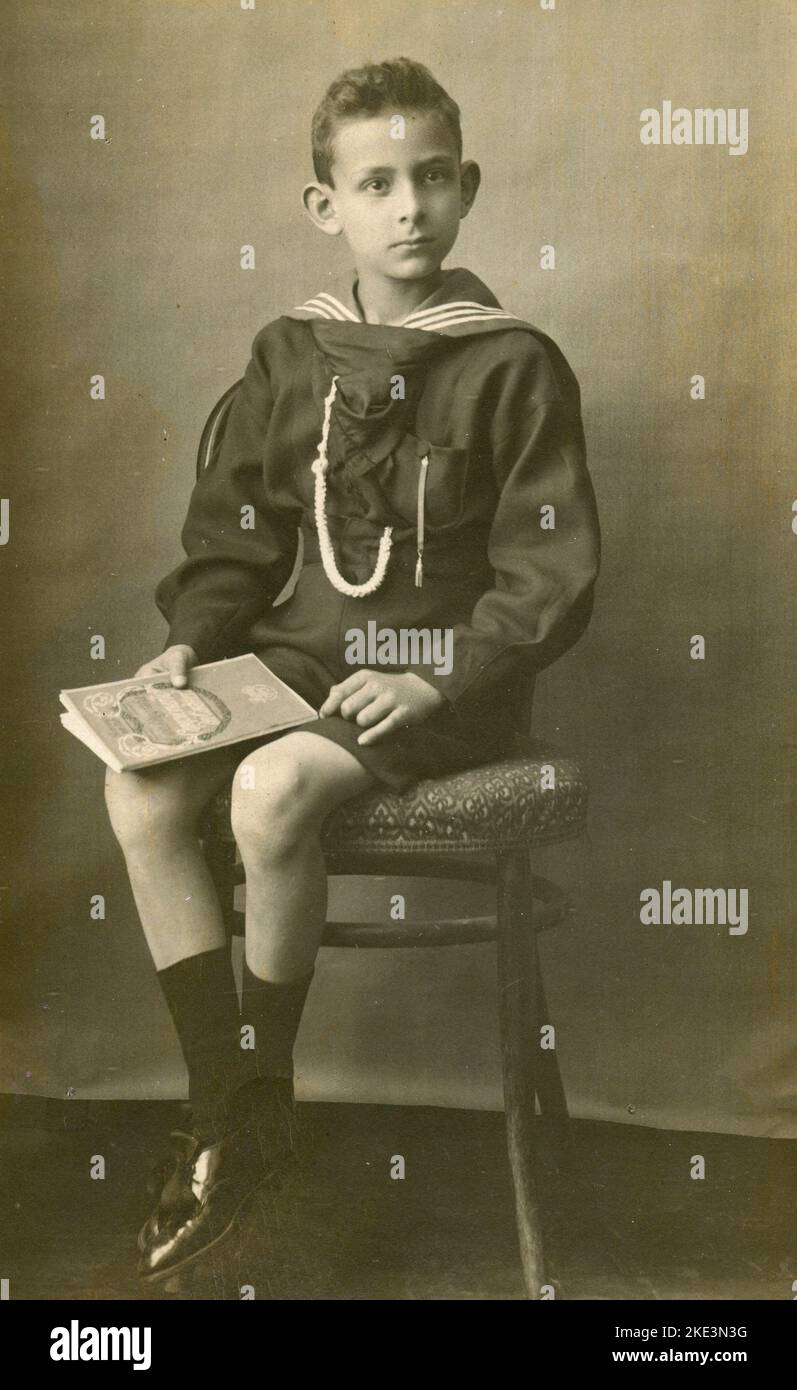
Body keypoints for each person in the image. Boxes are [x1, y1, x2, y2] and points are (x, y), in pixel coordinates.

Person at [104, 56, 601, 1286]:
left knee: (270, 796)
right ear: (327, 205)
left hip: (441, 687)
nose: (409, 207)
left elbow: (544, 580)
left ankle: (252, 1090)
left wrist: (436, 675)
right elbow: (237, 545)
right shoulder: (290, 356)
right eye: (375, 183)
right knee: (142, 786)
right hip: (291, 662)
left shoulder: (511, 364)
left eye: (432, 177)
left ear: (467, 186)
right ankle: (231, 1106)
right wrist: (192, 641)